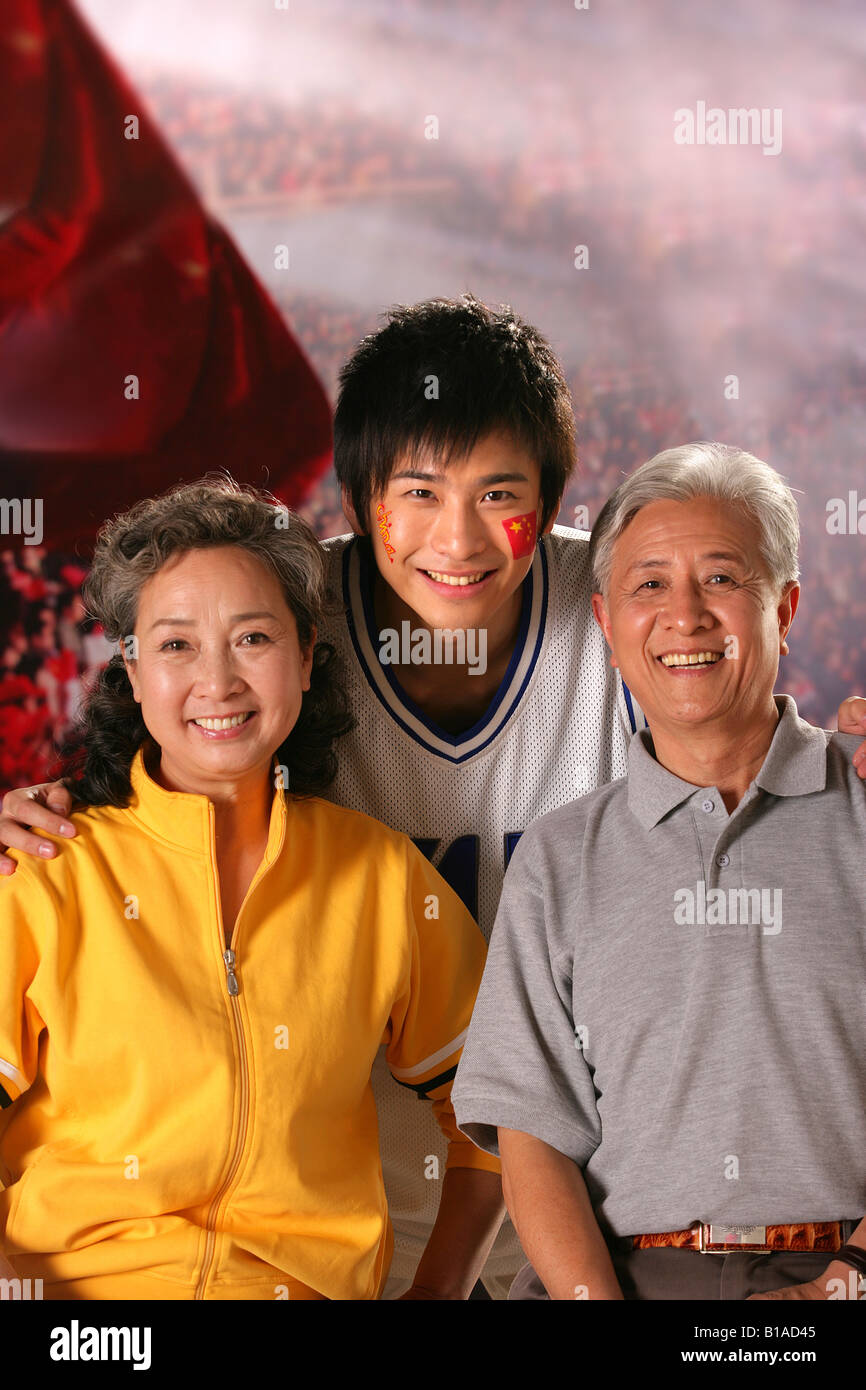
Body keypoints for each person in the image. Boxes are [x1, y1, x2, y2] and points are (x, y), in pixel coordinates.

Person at [3, 297, 866, 1297]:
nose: (455, 539)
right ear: (357, 495)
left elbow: (732, 666)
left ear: (546, 506)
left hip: (598, 1209)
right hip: (343, 1230)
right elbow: (164, 738)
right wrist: (46, 815)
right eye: (416, 492)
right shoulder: (272, 611)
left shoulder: (629, 589)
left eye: (497, 493)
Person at [0, 479, 502, 1300]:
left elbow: (500, 1109)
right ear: (129, 667)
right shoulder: (49, 867)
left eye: (253, 638)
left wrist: (436, 1293)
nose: (218, 682)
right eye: (175, 645)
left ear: (306, 655)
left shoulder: (380, 877)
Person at [452, 442, 866, 1301]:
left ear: (784, 608)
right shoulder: (560, 859)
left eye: (722, 579)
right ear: (605, 625)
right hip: (622, 1280)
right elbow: (532, 1132)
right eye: (649, 585)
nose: (686, 616)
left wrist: (848, 1280)